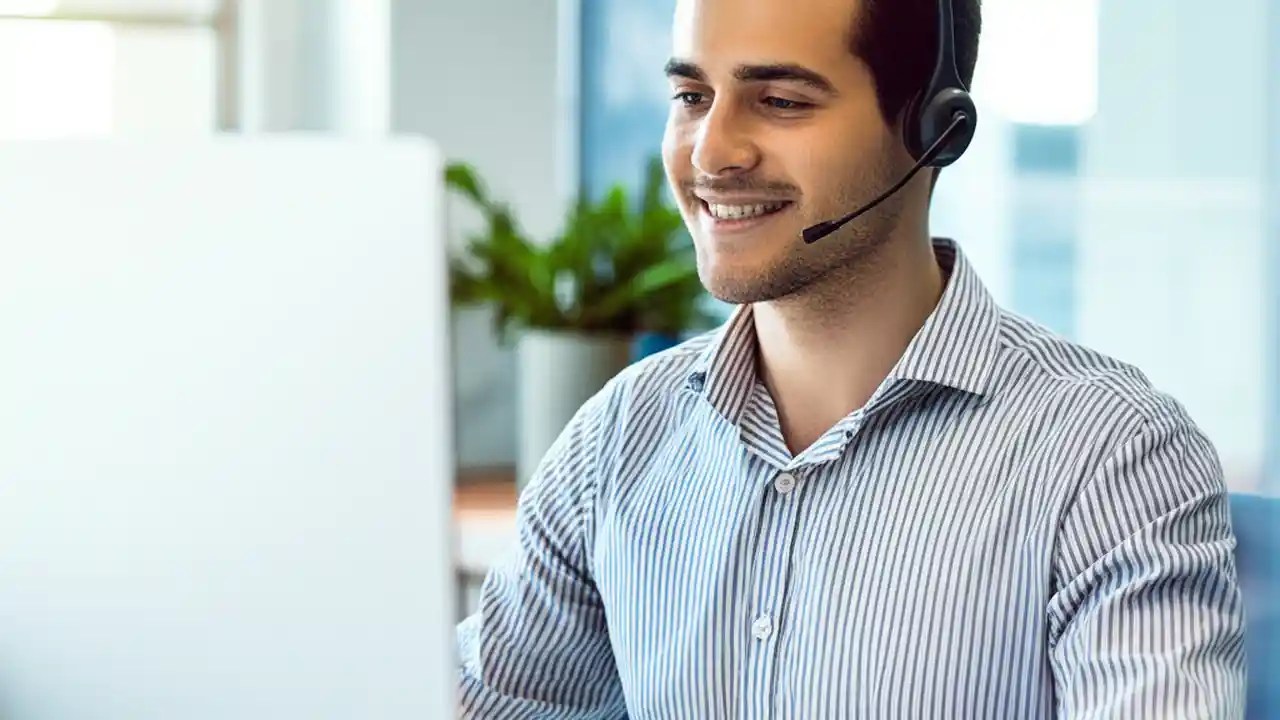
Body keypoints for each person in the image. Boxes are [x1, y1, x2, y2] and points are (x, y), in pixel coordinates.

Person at [457, 0, 1247, 715]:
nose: (712, 153)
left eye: (780, 101)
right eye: (692, 97)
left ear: (935, 132)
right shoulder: (618, 441)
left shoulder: (1111, 458)